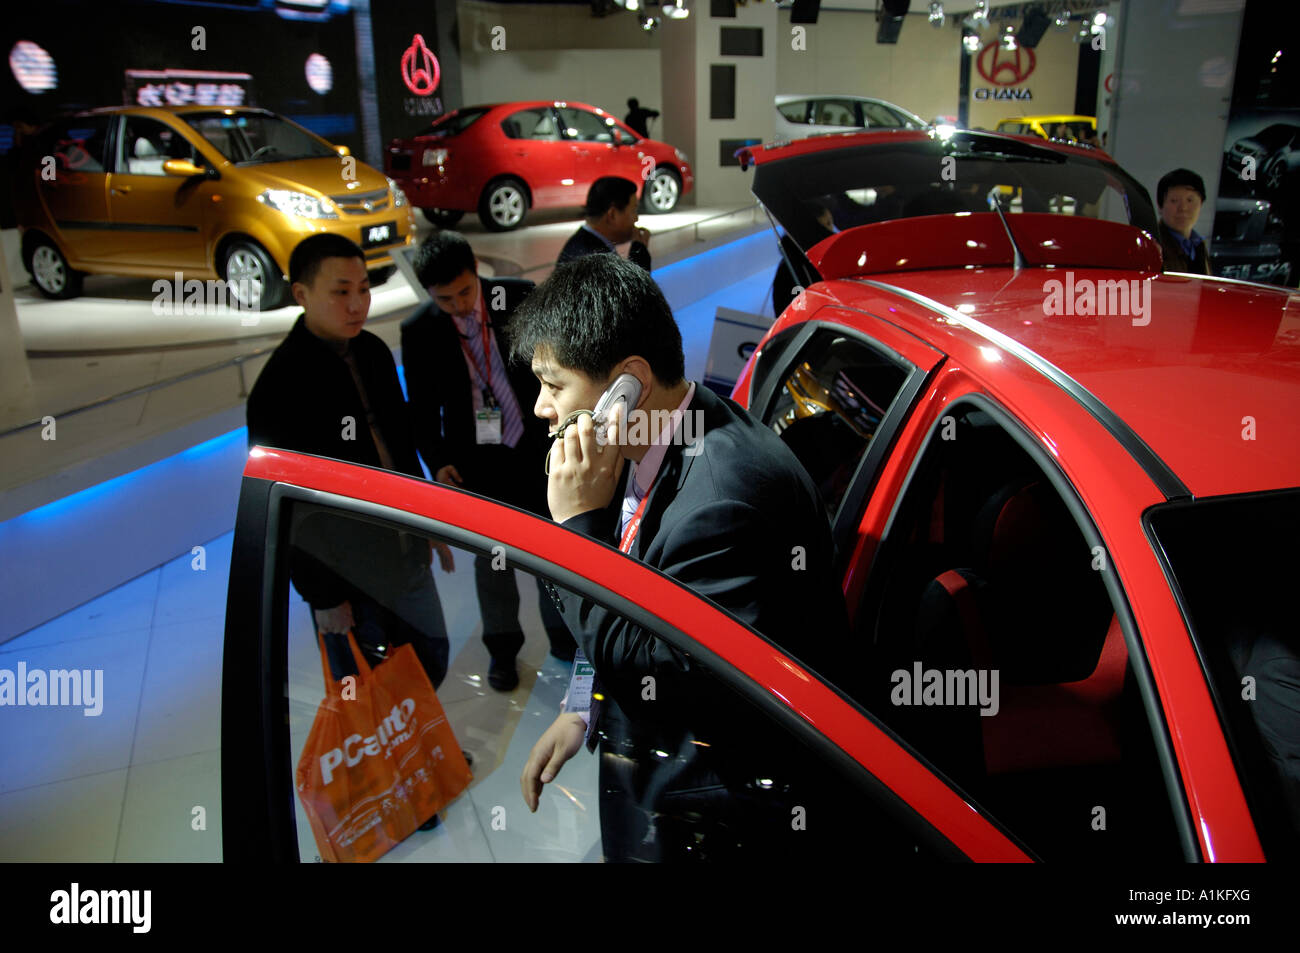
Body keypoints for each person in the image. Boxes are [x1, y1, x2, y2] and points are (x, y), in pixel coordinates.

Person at [513, 254, 852, 861]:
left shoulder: (722, 502)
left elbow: (653, 676)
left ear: (629, 384)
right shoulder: (646, 436)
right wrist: (579, 708)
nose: (541, 406)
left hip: (720, 801)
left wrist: (576, 528)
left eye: (554, 384)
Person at [246, 234, 454, 692]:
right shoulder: (278, 389)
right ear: (301, 294)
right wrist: (321, 596)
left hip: (404, 551)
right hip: (347, 574)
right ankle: (391, 765)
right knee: (365, 689)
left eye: (363, 288)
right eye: (341, 291)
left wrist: (429, 523)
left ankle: (424, 760)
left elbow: (400, 449)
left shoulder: (373, 352)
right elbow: (284, 508)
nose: (357, 303)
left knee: (429, 660)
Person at [401, 231, 577, 691]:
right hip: (477, 464)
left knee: (551, 551)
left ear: (475, 269)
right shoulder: (419, 331)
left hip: (537, 446)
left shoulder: (517, 299)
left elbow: (559, 369)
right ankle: (503, 653)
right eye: (445, 299)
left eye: (464, 291)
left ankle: (564, 639)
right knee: (493, 564)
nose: (458, 304)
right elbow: (420, 411)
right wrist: (437, 462)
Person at [557, 177, 651, 272]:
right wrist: (640, 256)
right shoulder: (595, 261)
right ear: (612, 215)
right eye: (633, 211)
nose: (636, 219)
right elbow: (634, 287)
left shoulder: (581, 245)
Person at [1156, 168, 1211, 275]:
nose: (1183, 208)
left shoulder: (1198, 244)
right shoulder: (1153, 246)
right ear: (1160, 206)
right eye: (1174, 201)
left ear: (1201, 204)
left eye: (1190, 200)